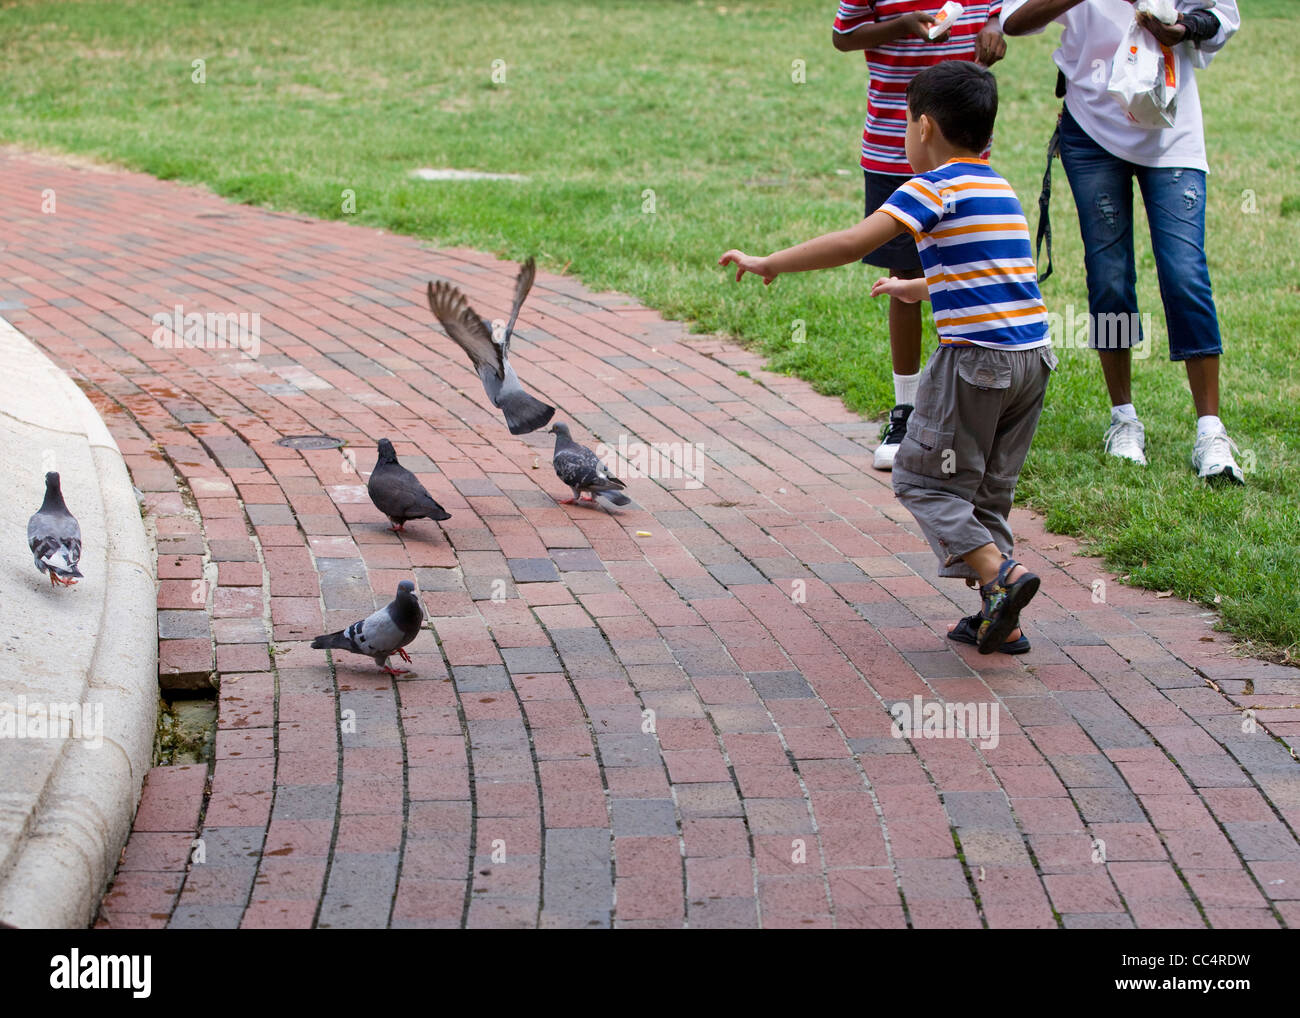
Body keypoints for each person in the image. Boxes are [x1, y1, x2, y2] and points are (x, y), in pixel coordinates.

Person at [721, 62, 1054, 654]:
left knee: (921, 480)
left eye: (905, 123)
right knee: (986, 493)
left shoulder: (931, 187)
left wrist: (771, 261)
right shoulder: (998, 187)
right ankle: (1002, 620)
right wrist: (922, 288)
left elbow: (855, 243)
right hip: (1032, 360)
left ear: (923, 127)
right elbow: (993, 272)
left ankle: (1001, 575)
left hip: (975, 362)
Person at [1002, 0, 1243, 482]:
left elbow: (1222, 19)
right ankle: (1124, 419)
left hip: (1172, 126)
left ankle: (1210, 432)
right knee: (1109, 276)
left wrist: (1183, 28)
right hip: (1090, 132)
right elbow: (1014, 20)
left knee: (1184, 273)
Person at [832, 1, 1009, 470]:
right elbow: (843, 36)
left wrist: (994, 26)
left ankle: (975, 406)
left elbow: (997, 10)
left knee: (971, 267)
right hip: (896, 145)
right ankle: (906, 409)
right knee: (904, 274)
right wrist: (902, 26)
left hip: (966, 152)